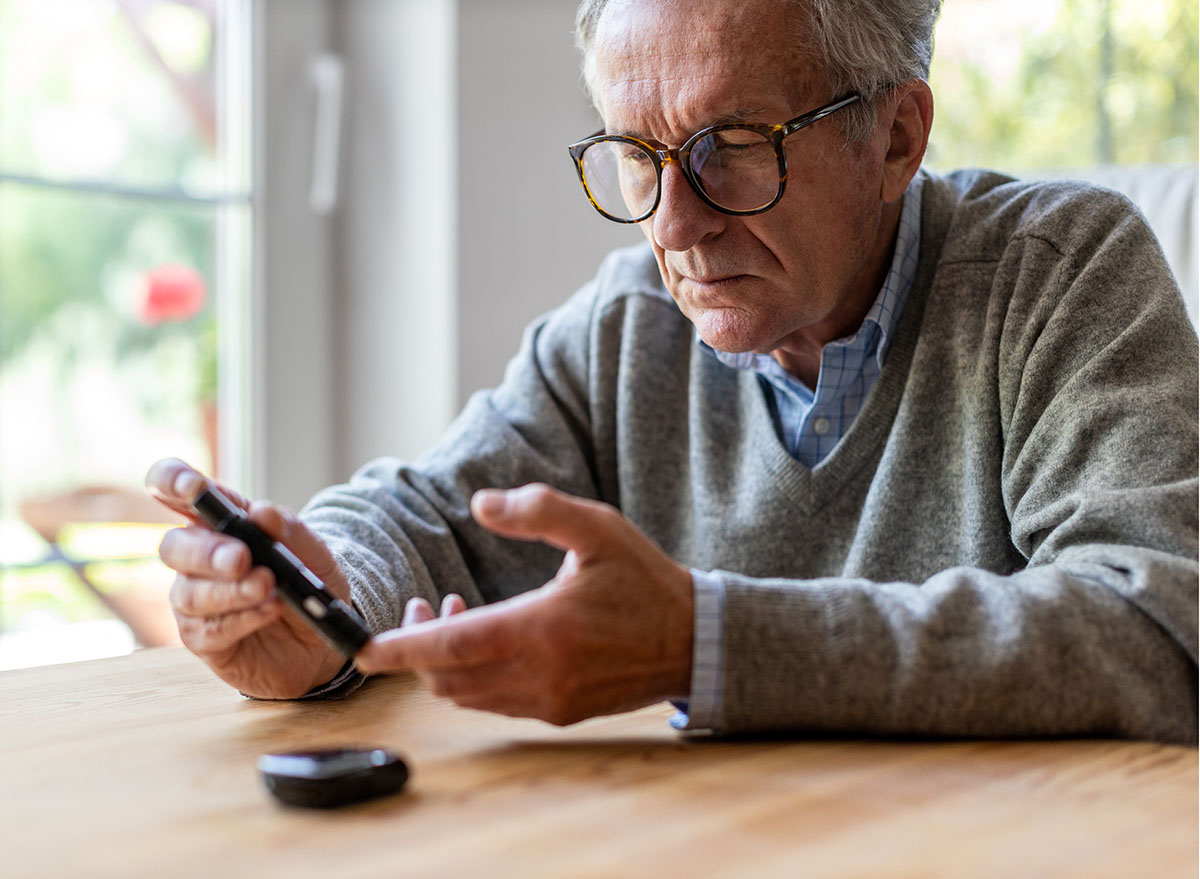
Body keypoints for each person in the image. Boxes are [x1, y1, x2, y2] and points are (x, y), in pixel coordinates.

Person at [147, 0, 1198, 742]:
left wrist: (700, 643)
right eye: (637, 157)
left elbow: (1162, 632)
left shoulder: (1061, 272)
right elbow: (426, 515)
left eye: (733, 144)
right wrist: (323, 609)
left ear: (896, 134)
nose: (674, 225)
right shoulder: (629, 324)